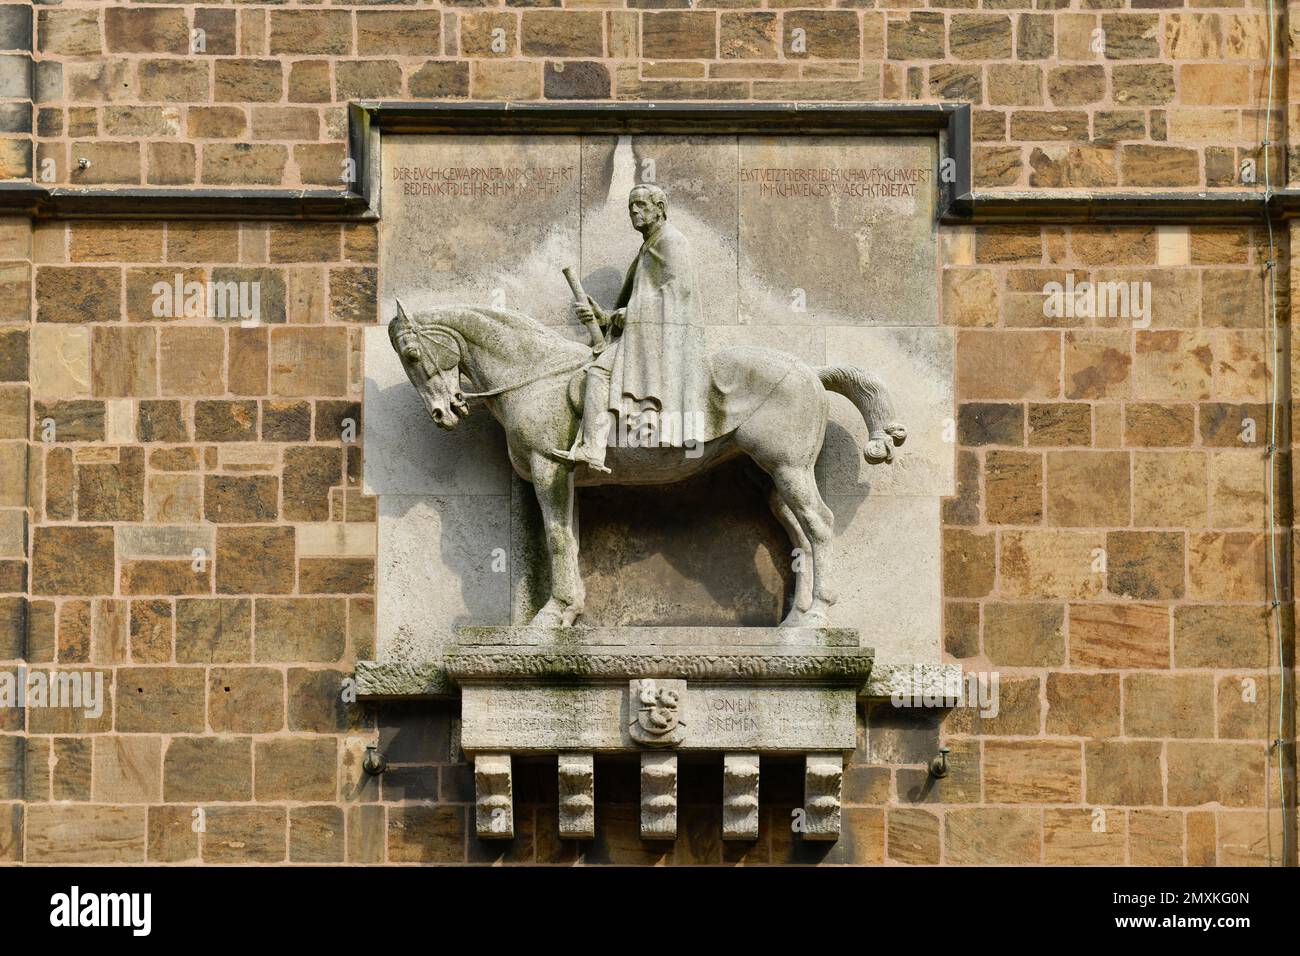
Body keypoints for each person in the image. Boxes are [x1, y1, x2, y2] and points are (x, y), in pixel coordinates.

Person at [552, 183, 705, 473]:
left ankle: (592, 449)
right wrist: (605, 316)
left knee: (599, 372)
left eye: (641, 205)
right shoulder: (650, 244)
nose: (634, 210)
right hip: (646, 332)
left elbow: (675, 294)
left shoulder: (671, 241)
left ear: (660, 209)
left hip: (664, 339)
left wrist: (627, 314)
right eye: (630, 206)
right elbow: (647, 298)